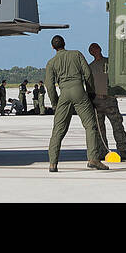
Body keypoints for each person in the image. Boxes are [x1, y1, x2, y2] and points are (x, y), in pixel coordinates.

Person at [44, 35, 107, 172]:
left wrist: (55, 103)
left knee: (58, 131)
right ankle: (93, 159)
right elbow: (88, 74)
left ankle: (53, 163)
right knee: (90, 126)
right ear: (64, 43)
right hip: (79, 91)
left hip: (64, 94)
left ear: (53, 47)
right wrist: (90, 92)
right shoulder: (76, 54)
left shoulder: (51, 62)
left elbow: (49, 85)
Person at [88, 42, 126, 160]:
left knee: (118, 126)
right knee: (99, 129)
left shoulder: (110, 63)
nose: (95, 51)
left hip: (109, 100)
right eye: (92, 50)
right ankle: (103, 151)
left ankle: (123, 150)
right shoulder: (90, 67)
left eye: (96, 48)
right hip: (97, 102)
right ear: (90, 53)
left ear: (100, 49)